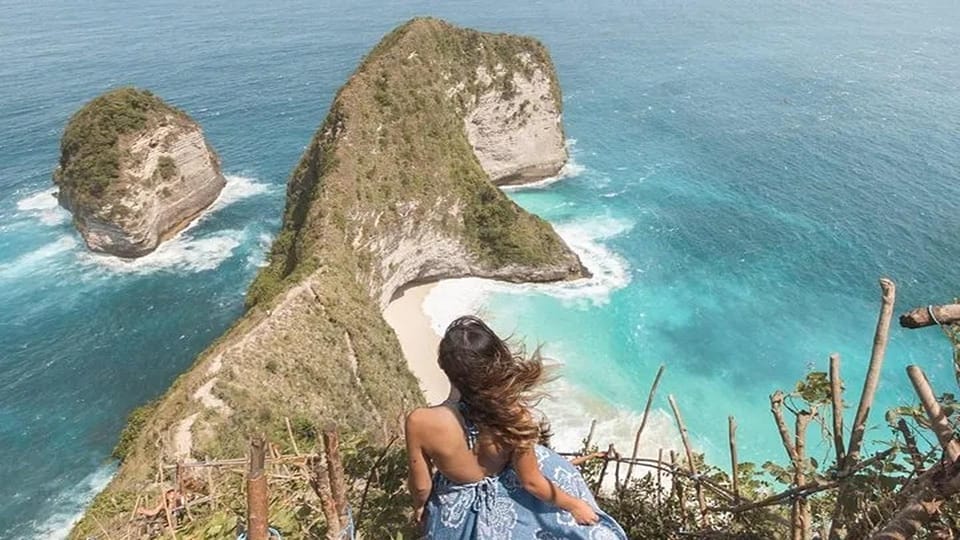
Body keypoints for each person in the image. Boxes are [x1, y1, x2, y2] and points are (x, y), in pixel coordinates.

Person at [405, 316, 627, 539]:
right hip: (507, 505)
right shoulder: (512, 416)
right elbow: (532, 482)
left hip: (456, 514)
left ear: (442, 364)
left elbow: (421, 487)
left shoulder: (420, 422)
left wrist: (420, 507)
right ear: (495, 364)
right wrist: (574, 505)